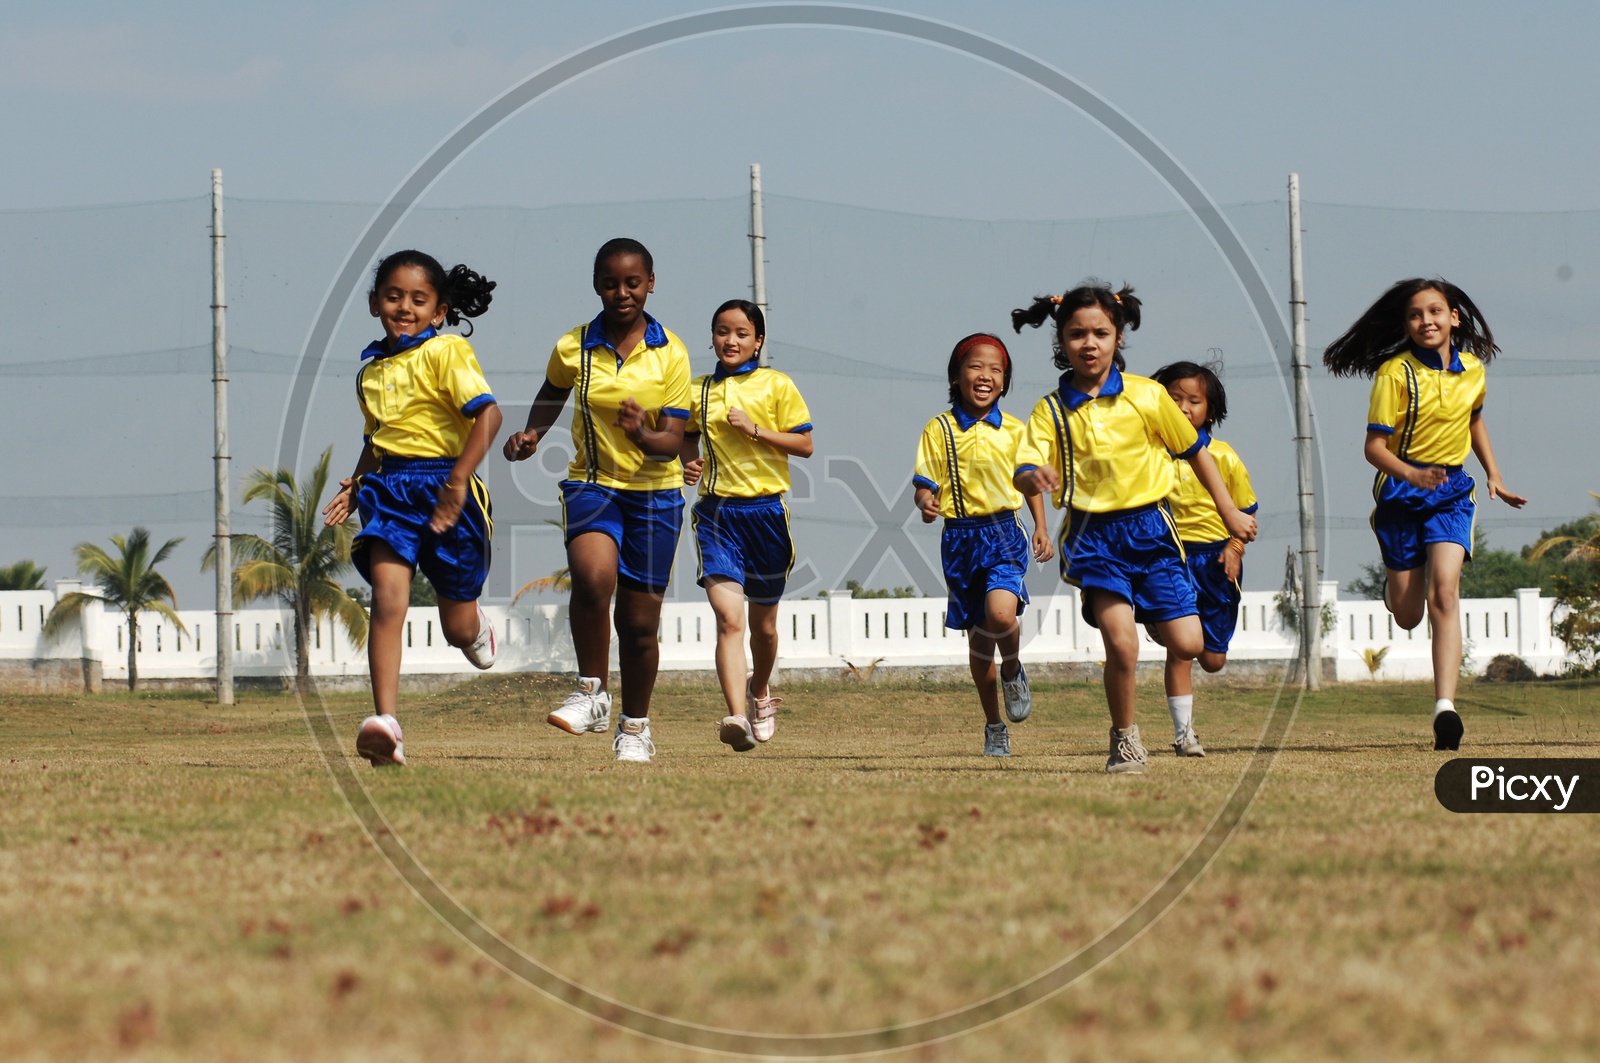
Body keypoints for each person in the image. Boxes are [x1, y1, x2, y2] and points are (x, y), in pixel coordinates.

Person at [1011, 281, 1257, 774]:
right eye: (1077, 333)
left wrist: (1230, 513)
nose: (1089, 343)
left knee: (1189, 643)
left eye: (1100, 332)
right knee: (1122, 646)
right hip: (1093, 536)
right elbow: (1025, 466)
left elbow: (1196, 453)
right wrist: (1031, 476)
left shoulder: (1147, 396)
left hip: (1153, 531)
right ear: (1061, 342)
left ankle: (1144, 608)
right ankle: (1124, 740)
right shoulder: (1050, 410)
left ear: (1118, 337)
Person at [502, 238, 690, 764]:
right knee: (591, 579)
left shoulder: (671, 352)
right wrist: (531, 435)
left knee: (637, 625)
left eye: (633, 282)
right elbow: (552, 391)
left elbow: (673, 442)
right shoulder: (574, 346)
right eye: (611, 282)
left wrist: (639, 434)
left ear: (651, 283)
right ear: (596, 286)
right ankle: (590, 692)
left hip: (656, 494)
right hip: (592, 484)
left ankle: (634, 727)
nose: (622, 292)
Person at [1322, 278, 1526, 750]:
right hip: (1400, 492)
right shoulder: (1394, 374)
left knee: (1446, 595)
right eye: (1415, 314)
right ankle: (1395, 592)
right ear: (1406, 324)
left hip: (1453, 491)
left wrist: (1493, 474)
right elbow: (1374, 448)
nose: (1426, 321)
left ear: (1455, 317)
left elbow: (1473, 420)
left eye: (1435, 311)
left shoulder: (1473, 369)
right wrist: (1411, 476)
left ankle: (1445, 710)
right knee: (1410, 615)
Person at [323, 250, 503, 767]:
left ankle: (475, 629)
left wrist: (457, 481)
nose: (404, 306)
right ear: (376, 302)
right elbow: (377, 440)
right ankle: (387, 725)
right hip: (391, 491)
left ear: (439, 311)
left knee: (456, 628)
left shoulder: (446, 353)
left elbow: (488, 417)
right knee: (387, 598)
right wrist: (357, 485)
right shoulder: (369, 372)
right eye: (393, 296)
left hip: (449, 487)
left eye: (418, 299)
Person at [679, 300, 814, 751]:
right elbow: (685, 432)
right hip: (717, 515)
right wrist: (689, 462)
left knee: (765, 628)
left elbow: (805, 443)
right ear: (712, 337)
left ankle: (760, 692)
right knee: (728, 619)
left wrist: (756, 429)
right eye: (722, 331)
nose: (730, 340)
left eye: (741, 333)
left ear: (758, 340)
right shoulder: (698, 390)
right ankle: (736, 715)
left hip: (767, 516)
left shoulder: (776, 384)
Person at [913, 333, 1053, 757]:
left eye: (995, 369)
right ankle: (994, 725)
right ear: (957, 376)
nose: (985, 375)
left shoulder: (1016, 430)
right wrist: (925, 503)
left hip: (1003, 533)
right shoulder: (938, 429)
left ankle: (1012, 668)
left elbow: (1029, 483)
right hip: (959, 539)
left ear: (1005, 381)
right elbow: (923, 484)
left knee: (1000, 613)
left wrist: (1040, 526)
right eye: (975, 366)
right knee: (978, 643)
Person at [1150, 360, 1258, 758]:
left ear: (1209, 410)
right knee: (1180, 652)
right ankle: (1185, 735)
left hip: (1216, 561)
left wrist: (1235, 548)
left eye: (1192, 401)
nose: (1182, 408)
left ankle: (1169, 627)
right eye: (1173, 399)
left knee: (1212, 659)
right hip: (1170, 557)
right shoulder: (1154, 456)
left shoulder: (1224, 457)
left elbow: (1246, 515)